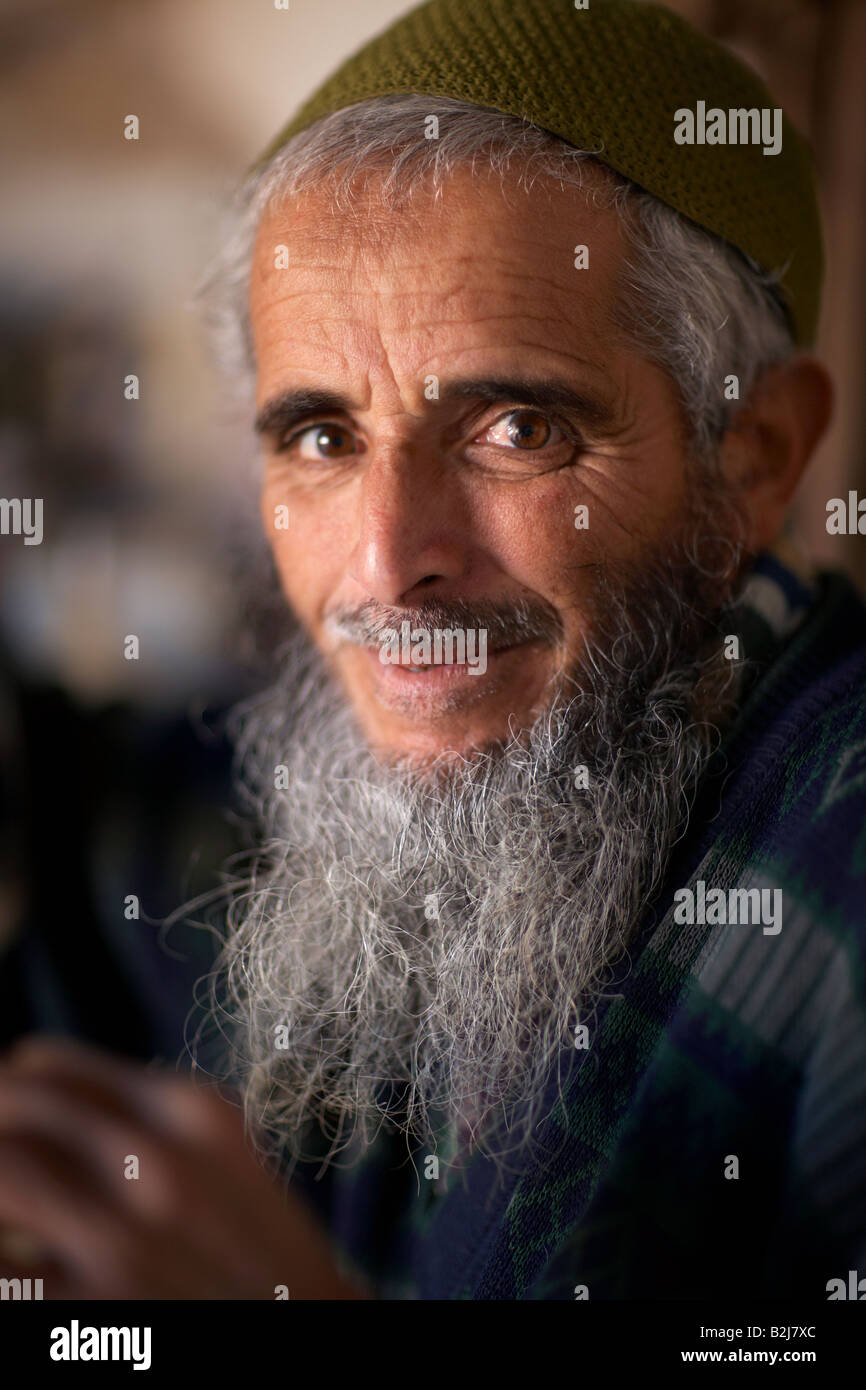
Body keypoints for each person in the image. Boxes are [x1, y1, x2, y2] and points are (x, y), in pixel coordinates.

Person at [2, 0, 864, 1301]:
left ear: (751, 459)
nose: (388, 557)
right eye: (320, 437)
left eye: (516, 428)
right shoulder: (383, 784)